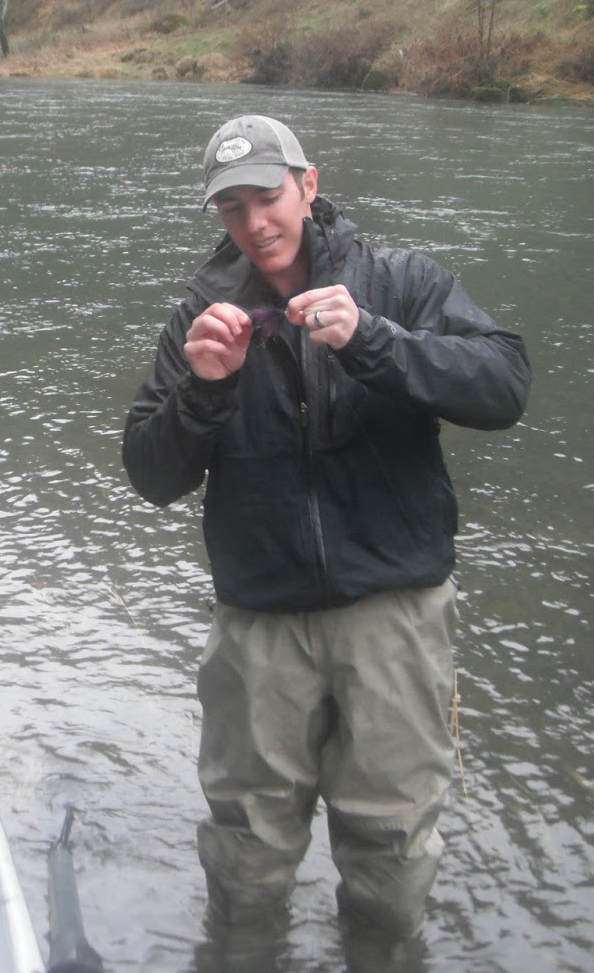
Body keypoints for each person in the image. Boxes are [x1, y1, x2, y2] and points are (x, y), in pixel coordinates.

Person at [121, 115, 531, 955]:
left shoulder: (401, 282)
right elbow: (150, 475)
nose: (255, 224)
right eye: (231, 208)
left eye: (267, 197)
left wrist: (377, 342)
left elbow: (503, 386)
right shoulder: (202, 314)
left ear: (309, 184)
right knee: (246, 853)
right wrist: (202, 392)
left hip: (394, 615)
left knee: (391, 847)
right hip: (259, 625)